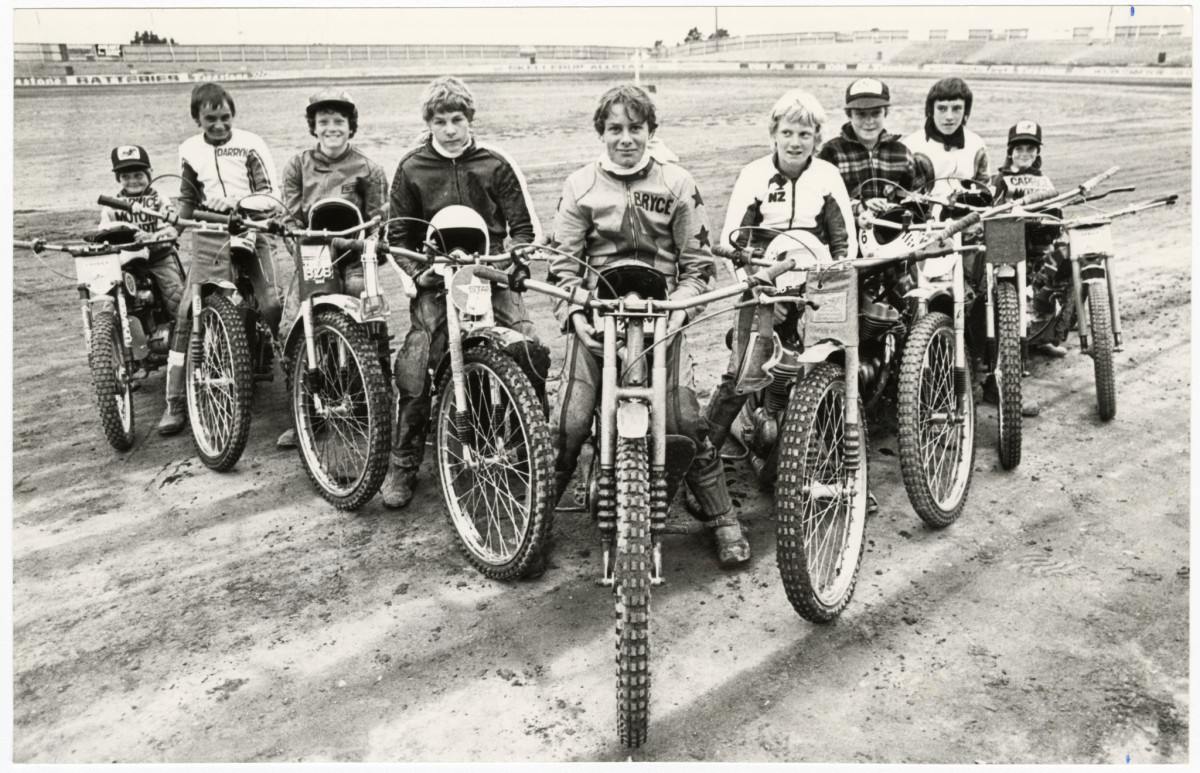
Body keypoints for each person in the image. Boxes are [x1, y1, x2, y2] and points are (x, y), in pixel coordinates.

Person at [548, 83, 748, 566]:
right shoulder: (580, 185)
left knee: (682, 419)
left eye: (635, 128)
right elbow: (561, 267)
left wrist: (678, 310)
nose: (625, 138)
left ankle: (723, 517)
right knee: (570, 420)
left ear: (651, 132)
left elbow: (699, 267)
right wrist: (576, 314)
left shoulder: (678, 183)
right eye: (615, 128)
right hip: (599, 319)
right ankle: (536, 520)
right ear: (601, 133)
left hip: (661, 321)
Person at [381, 75, 544, 508]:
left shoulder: (495, 164)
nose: (450, 130)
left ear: (470, 119)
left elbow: (523, 229)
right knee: (418, 364)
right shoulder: (412, 168)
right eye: (440, 121)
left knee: (530, 349)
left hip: (487, 272)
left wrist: (513, 261)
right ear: (429, 123)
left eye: (457, 119)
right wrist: (420, 274)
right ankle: (404, 461)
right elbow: (398, 233)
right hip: (437, 277)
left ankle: (529, 447)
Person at [703, 88, 855, 471]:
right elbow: (731, 242)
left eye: (805, 134)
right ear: (774, 132)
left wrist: (828, 287)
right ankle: (703, 461)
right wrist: (759, 289)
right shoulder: (753, 175)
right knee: (743, 371)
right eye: (788, 132)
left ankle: (846, 466)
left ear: (816, 139)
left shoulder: (827, 176)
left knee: (835, 364)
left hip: (818, 282)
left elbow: (844, 242)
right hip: (764, 281)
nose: (795, 142)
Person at [161, 82, 283, 435]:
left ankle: (290, 375)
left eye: (225, 117)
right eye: (210, 118)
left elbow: (269, 193)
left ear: (233, 115)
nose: (219, 125)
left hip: (251, 228)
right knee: (187, 311)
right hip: (209, 233)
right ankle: (175, 402)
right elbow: (187, 196)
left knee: (272, 304)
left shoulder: (250, 143)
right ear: (197, 118)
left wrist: (239, 204)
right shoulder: (189, 149)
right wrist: (174, 230)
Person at [275, 87, 390, 449]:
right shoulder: (297, 165)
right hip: (314, 255)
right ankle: (306, 409)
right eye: (323, 121)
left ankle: (377, 400)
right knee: (293, 321)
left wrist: (367, 248)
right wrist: (299, 245)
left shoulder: (369, 168)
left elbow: (379, 221)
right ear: (314, 126)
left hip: (354, 254)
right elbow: (289, 217)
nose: (331, 127)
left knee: (369, 309)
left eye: (339, 121)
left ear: (350, 125)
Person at [100, 145, 189, 429]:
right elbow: (104, 232)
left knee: (177, 300)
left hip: (158, 256)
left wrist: (154, 236)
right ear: (118, 179)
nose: (133, 180)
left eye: (138, 173)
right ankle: (125, 357)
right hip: (127, 261)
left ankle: (186, 349)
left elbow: (173, 225)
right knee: (115, 300)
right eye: (126, 176)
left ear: (148, 173)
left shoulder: (158, 199)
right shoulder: (112, 204)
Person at [991, 118, 1069, 360]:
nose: (1024, 154)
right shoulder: (1000, 179)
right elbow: (992, 211)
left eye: (1030, 149)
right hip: (1011, 246)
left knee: (1067, 262)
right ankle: (1009, 347)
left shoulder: (1045, 180)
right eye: (1019, 149)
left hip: (1040, 246)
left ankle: (1049, 335)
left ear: (1037, 152)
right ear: (1010, 152)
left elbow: (1057, 214)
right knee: (1005, 292)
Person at [818, 77, 928, 227]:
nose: (869, 121)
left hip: (893, 238)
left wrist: (913, 202)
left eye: (876, 113)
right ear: (849, 115)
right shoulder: (831, 152)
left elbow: (917, 200)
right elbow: (820, 202)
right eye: (861, 114)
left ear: (886, 113)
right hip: (846, 239)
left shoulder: (901, 153)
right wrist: (860, 206)